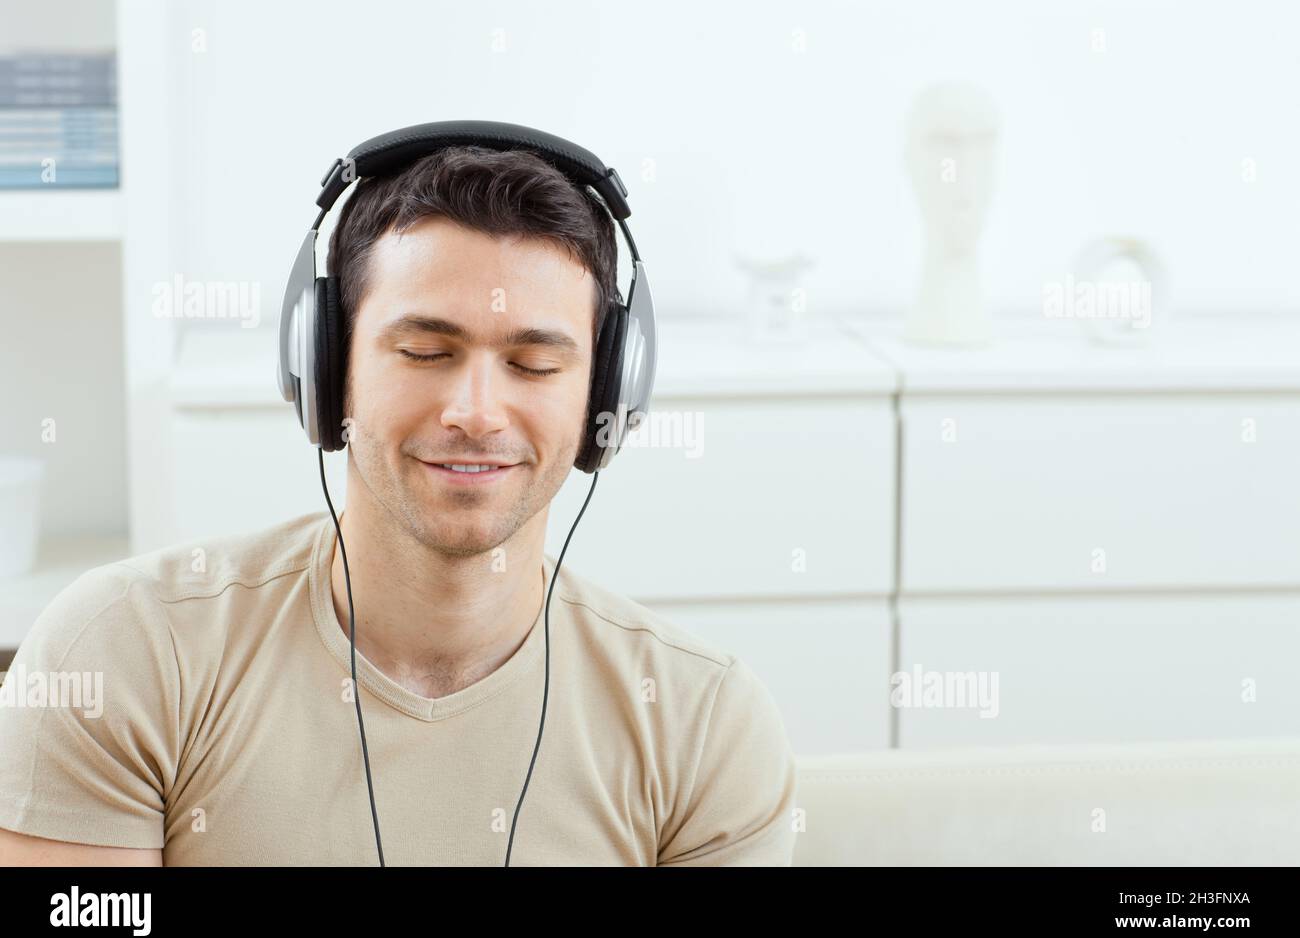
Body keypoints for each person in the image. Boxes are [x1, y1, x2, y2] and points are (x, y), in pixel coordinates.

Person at [0, 140, 797, 866]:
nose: (476, 412)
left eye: (534, 363)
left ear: (609, 394)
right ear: (325, 366)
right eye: (425, 352)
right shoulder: (123, 653)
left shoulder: (705, 727)